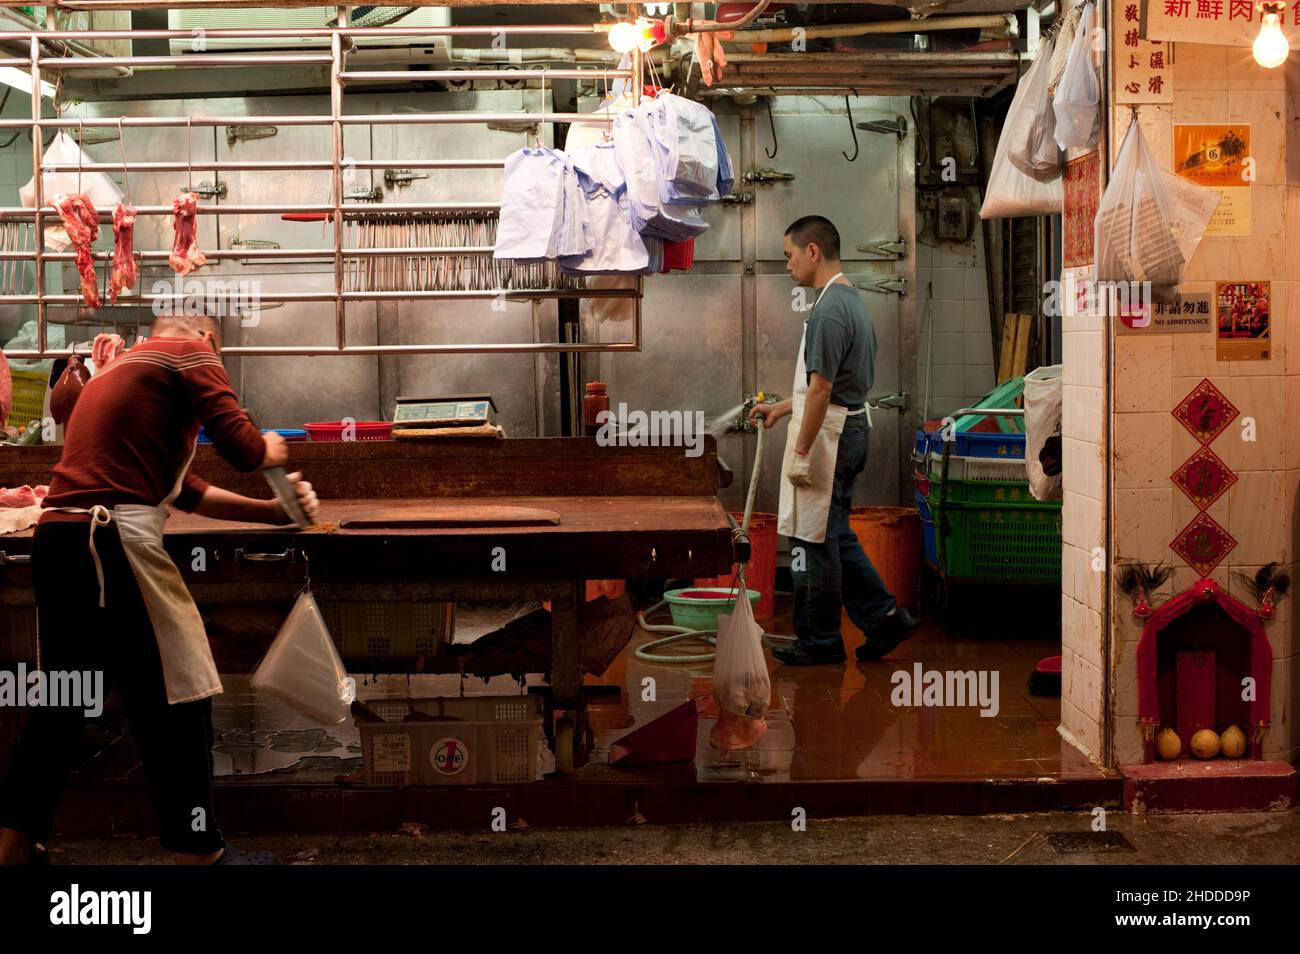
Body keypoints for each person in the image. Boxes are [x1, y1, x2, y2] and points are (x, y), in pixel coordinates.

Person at [0, 312, 319, 866]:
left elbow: (184, 491)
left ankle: (13, 847)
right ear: (210, 337)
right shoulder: (190, 352)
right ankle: (200, 852)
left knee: (64, 700)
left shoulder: (124, 373)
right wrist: (272, 447)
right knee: (180, 688)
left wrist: (273, 514)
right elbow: (244, 449)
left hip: (62, 541)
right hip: (111, 540)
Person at [750, 215, 917, 666]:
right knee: (835, 533)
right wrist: (781, 408)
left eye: (789, 255)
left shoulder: (825, 311)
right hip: (851, 425)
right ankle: (883, 617)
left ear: (813, 252)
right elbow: (826, 386)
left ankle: (821, 642)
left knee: (814, 540)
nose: (787, 266)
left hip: (831, 438)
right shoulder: (850, 301)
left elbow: (822, 390)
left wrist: (801, 451)